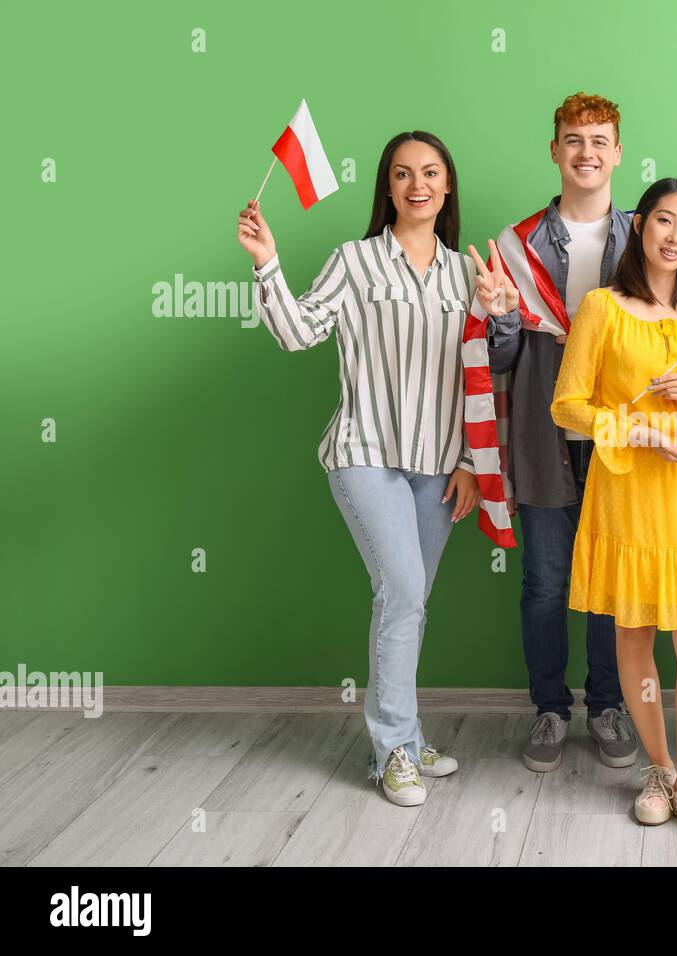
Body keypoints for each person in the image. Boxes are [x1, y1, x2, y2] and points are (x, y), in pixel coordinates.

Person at [236, 131, 480, 807]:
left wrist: (468, 462)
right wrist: (267, 263)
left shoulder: (468, 274)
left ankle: (406, 731)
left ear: (447, 185)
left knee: (410, 602)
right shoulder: (354, 260)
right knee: (401, 590)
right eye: (402, 174)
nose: (417, 184)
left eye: (430, 172)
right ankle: (393, 750)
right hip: (364, 452)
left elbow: (478, 378)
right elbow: (295, 331)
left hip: (439, 467)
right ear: (388, 188)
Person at [550, 178, 677, 840]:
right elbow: (567, 405)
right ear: (640, 227)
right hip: (626, 496)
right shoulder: (603, 308)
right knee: (632, 639)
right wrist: (636, 430)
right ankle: (659, 769)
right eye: (665, 221)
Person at [480, 93, 637, 773]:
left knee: (610, 578)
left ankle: (608, 704)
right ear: (554, 151)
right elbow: (500, 361)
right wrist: (503, 319)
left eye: (600, 140)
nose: (587, 153)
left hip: (620, 433)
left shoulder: (645, 237)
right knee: (545, 580)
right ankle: (549, 707)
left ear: (618, 153)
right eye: (574, 140)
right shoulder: (514, 247)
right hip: (545, 429)